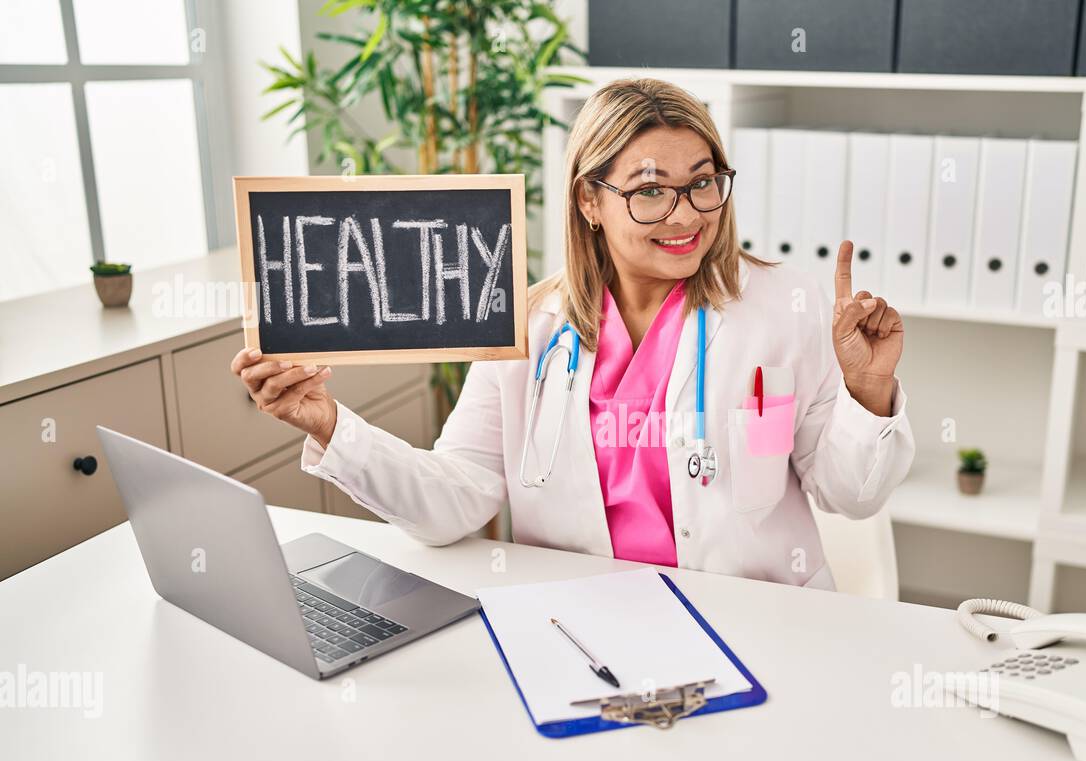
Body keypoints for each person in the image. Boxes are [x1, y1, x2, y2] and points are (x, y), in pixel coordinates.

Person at [230, 77, 915, 589]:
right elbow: (458, 498)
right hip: (583, 630)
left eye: (703, 183)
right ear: (590, 200)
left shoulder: (782, 308)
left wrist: (869, 390)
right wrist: (329, 424)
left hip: (757, 625)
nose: (686, 215)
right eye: (650, 190)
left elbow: (851, 496)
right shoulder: (529, 325)